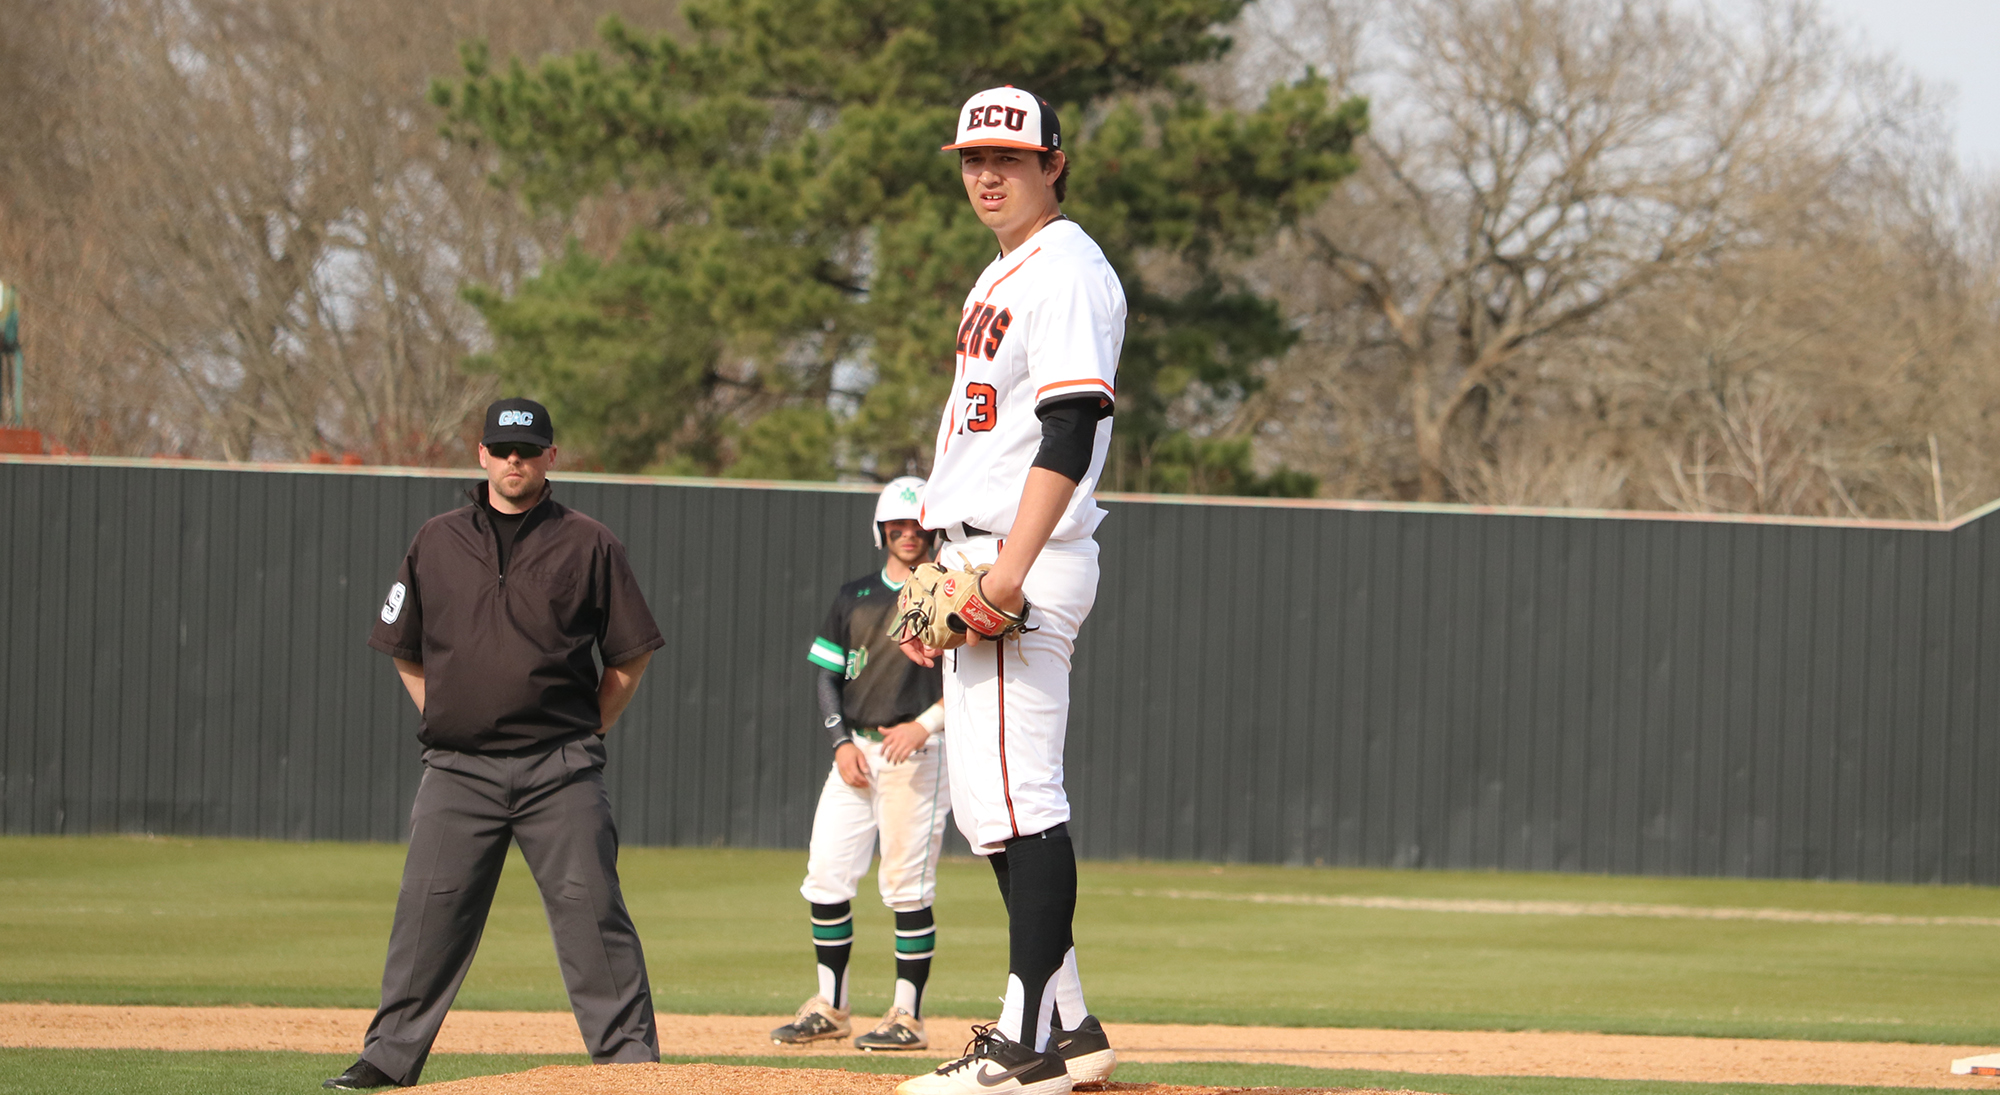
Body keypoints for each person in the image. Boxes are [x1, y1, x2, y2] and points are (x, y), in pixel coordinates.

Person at [323, 398, 664, 1090]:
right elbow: (403, 645)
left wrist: (589, 728)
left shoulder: (588, 542)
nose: (515, 460)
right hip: (458, 769)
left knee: (593, 911)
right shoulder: (436, 540)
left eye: (528, 449)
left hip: (559, 767)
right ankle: (388, 1057)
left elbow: (631, 654)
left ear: (550, 457)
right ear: (481, 453)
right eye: (503, 449)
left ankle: (629, 1065)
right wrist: (449, 713)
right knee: (428, 913)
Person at [894, 87, 1122, 1095]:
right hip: (978, 553)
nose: (987, 175)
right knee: (991, 810)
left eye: (1009, 158)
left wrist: (1005, 573)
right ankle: (1070, 1028)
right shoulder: (1002, 269)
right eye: (972, 159)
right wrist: (942, 575)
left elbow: (1069, 429)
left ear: (1053, 164)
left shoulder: (1065, 267)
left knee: (1023, 802)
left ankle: (1021, 1046)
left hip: (1021, 555)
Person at [769, 477, 953, 1052]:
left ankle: (907, 1016)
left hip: (918, 753)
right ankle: (831, 1006)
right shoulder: (856, 594)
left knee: (907, 888)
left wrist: (925, 724)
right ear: (881, 531)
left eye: (918, 525)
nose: (908, 534)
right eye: (897, 526)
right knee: (826, 876)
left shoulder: (952, 593)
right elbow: (827, 674)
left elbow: (972, 679)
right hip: (856, 753)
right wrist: (839, 741)